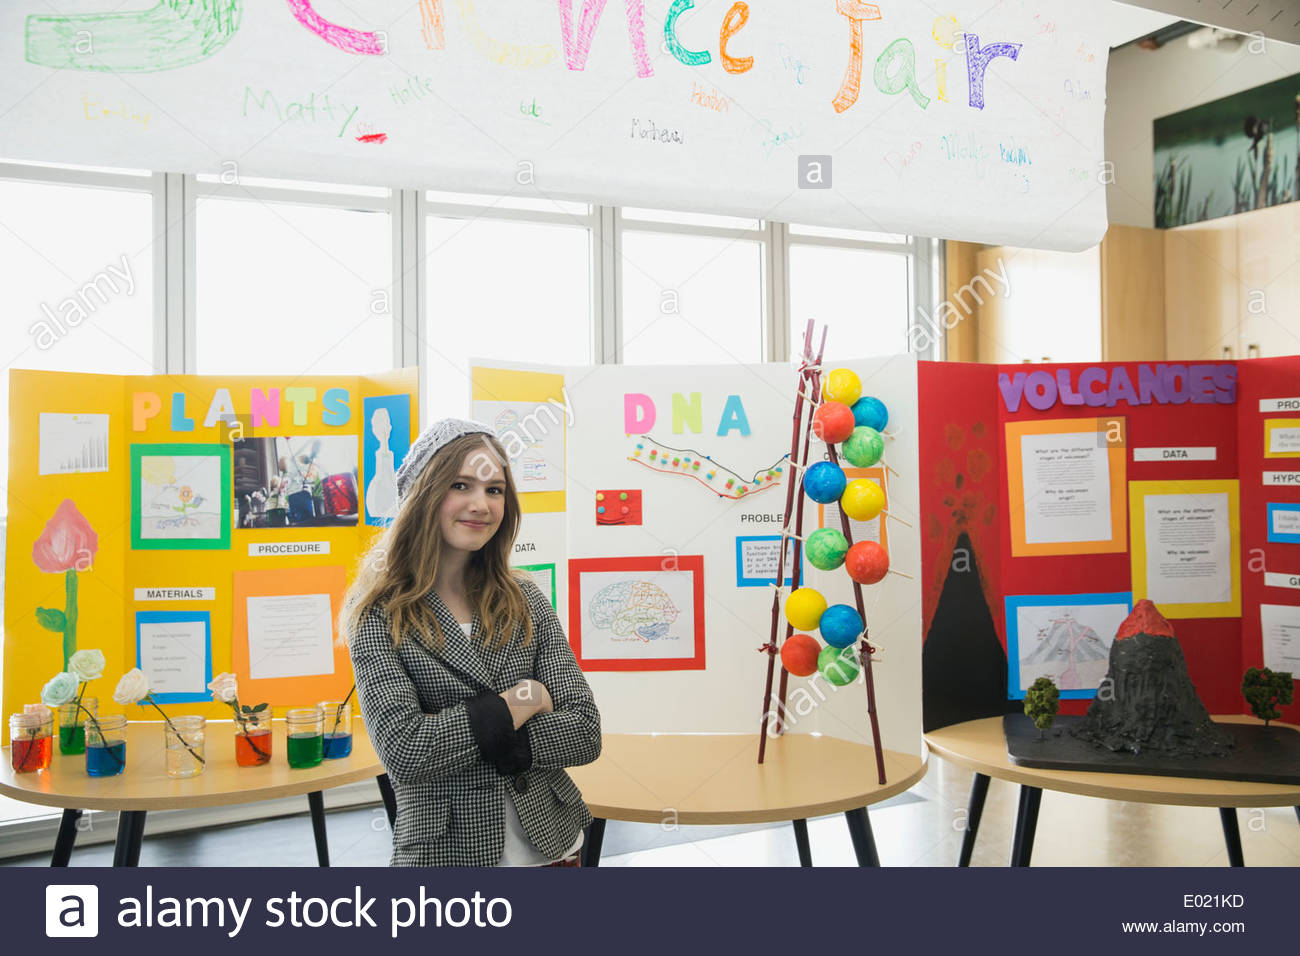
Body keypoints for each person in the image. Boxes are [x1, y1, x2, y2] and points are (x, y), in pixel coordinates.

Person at [343, 418, 601, 866]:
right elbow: (407, 750)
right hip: (448, 858)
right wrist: (526, 698)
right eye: (461, 485)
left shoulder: (525, 598)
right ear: (423, 495)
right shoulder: (377, 613)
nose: (481, 504)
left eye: (495, 489)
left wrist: (466, 733)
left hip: (557, 847)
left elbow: (584, 731)